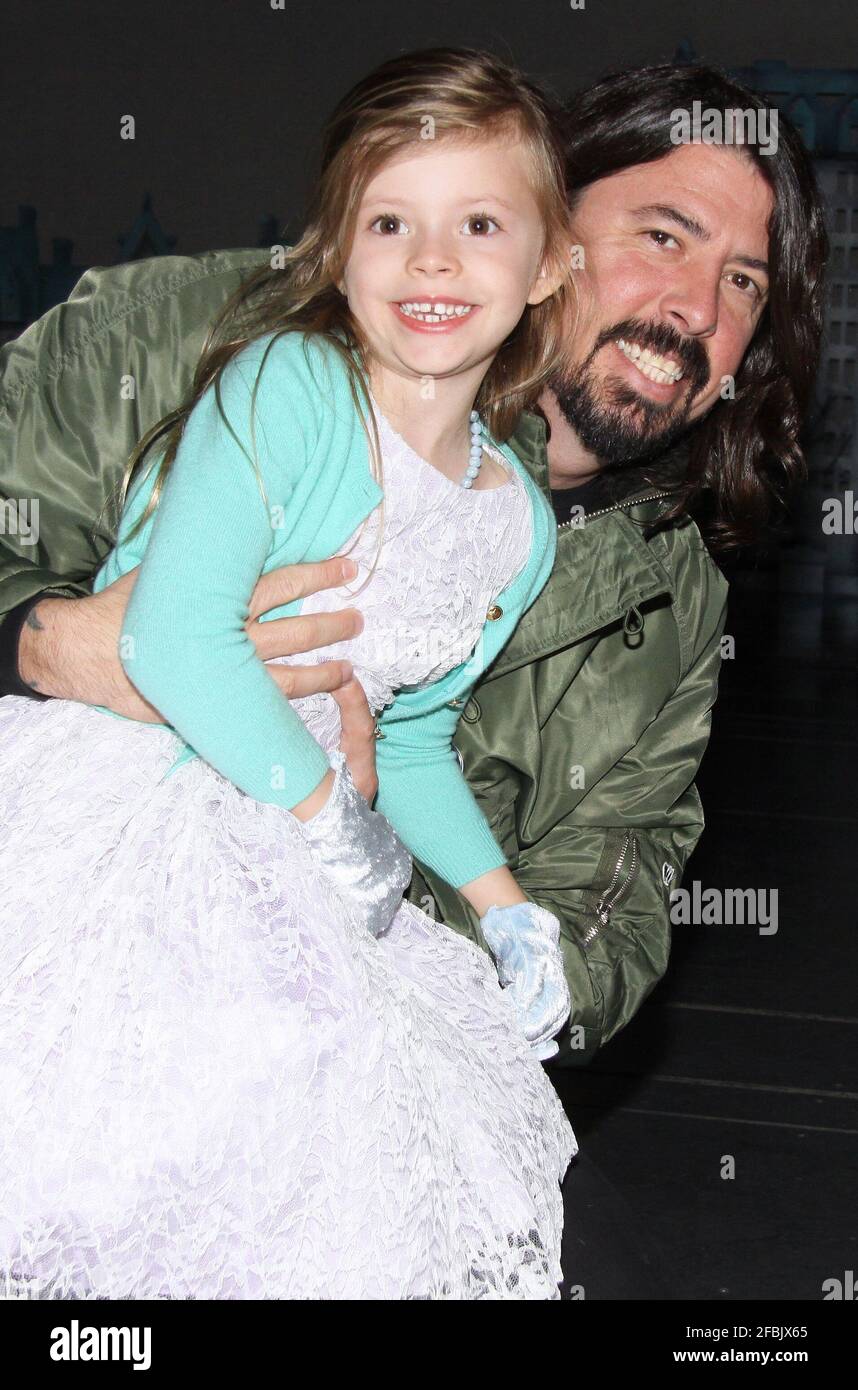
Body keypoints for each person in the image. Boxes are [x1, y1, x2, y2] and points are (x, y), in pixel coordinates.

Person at [0, 61, 827, 1299]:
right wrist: (43, 640)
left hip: (336, 957)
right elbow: (166, 640)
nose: (695, 306)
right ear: (563, 224)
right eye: (665, 237)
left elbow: (601, 881)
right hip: (122, 851)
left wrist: (493, 923)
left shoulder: (629, 579)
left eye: (743, 285)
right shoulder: (223, 351)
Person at [0, 47, 582, 1301]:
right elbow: (170, 640)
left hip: (303, 851)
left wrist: (503, 904)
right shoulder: (292, 388)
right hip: (147, 800)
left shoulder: (514, 520)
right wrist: (329, 820)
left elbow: (413, 733)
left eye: (479, 222)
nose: (433, 260)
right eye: (390, 222)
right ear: (337, 249)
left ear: (547, 268)